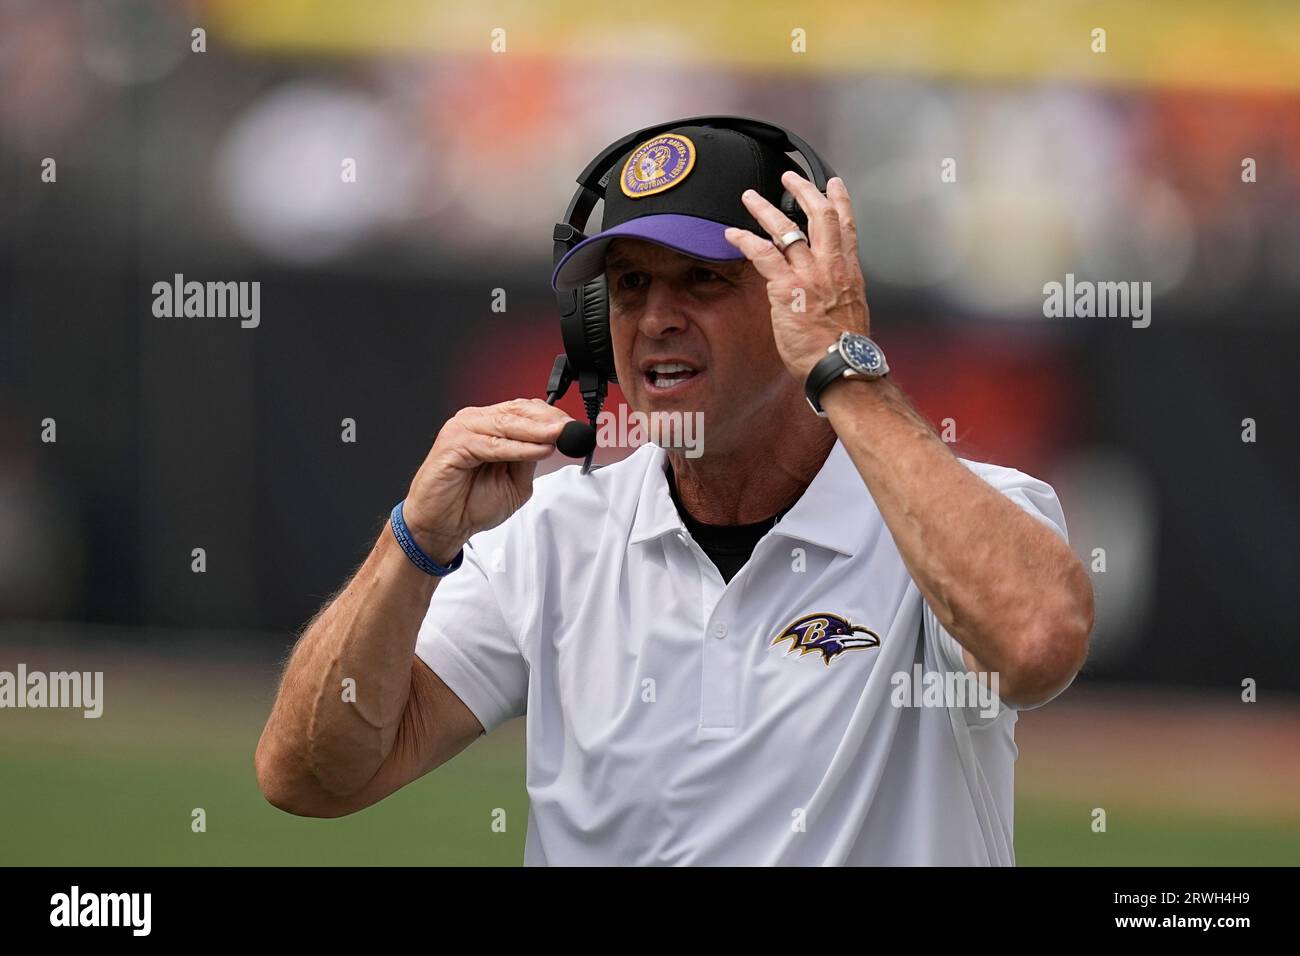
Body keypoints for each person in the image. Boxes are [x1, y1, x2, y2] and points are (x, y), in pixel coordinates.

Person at [255, 123, 1094, 865]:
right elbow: (311, 778)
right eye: (628, 287)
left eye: (700, 281)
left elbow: (1033, 647)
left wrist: (845, 368)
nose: (654, 317)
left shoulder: (965, 513)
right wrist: (414, 542)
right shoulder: (550, 530)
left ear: (798, 300)